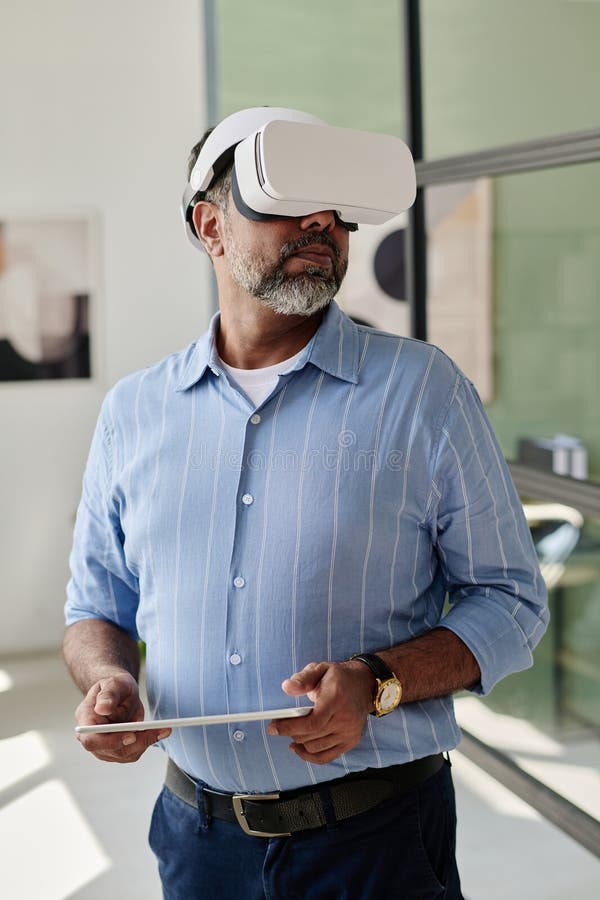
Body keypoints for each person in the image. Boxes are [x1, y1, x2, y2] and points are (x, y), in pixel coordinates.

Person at [64, 107, 549, 900]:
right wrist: (108, 681)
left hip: (377, 845)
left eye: (335, 207)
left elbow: (512, 599)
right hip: (198, 845)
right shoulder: (134, 412)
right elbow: (95, 607)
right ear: (211, 227)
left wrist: (378, 680)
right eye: (285, 199)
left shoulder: (423, 392)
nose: (321, 221)